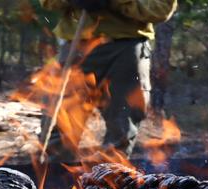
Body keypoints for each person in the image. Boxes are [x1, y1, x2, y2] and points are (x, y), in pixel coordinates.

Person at [38, 0, 178, 158]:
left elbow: (160, 9)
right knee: (60, 130)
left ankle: (109, 179)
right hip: (77, 48)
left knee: (121, 131)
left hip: (127, 49)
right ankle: (54, 179)